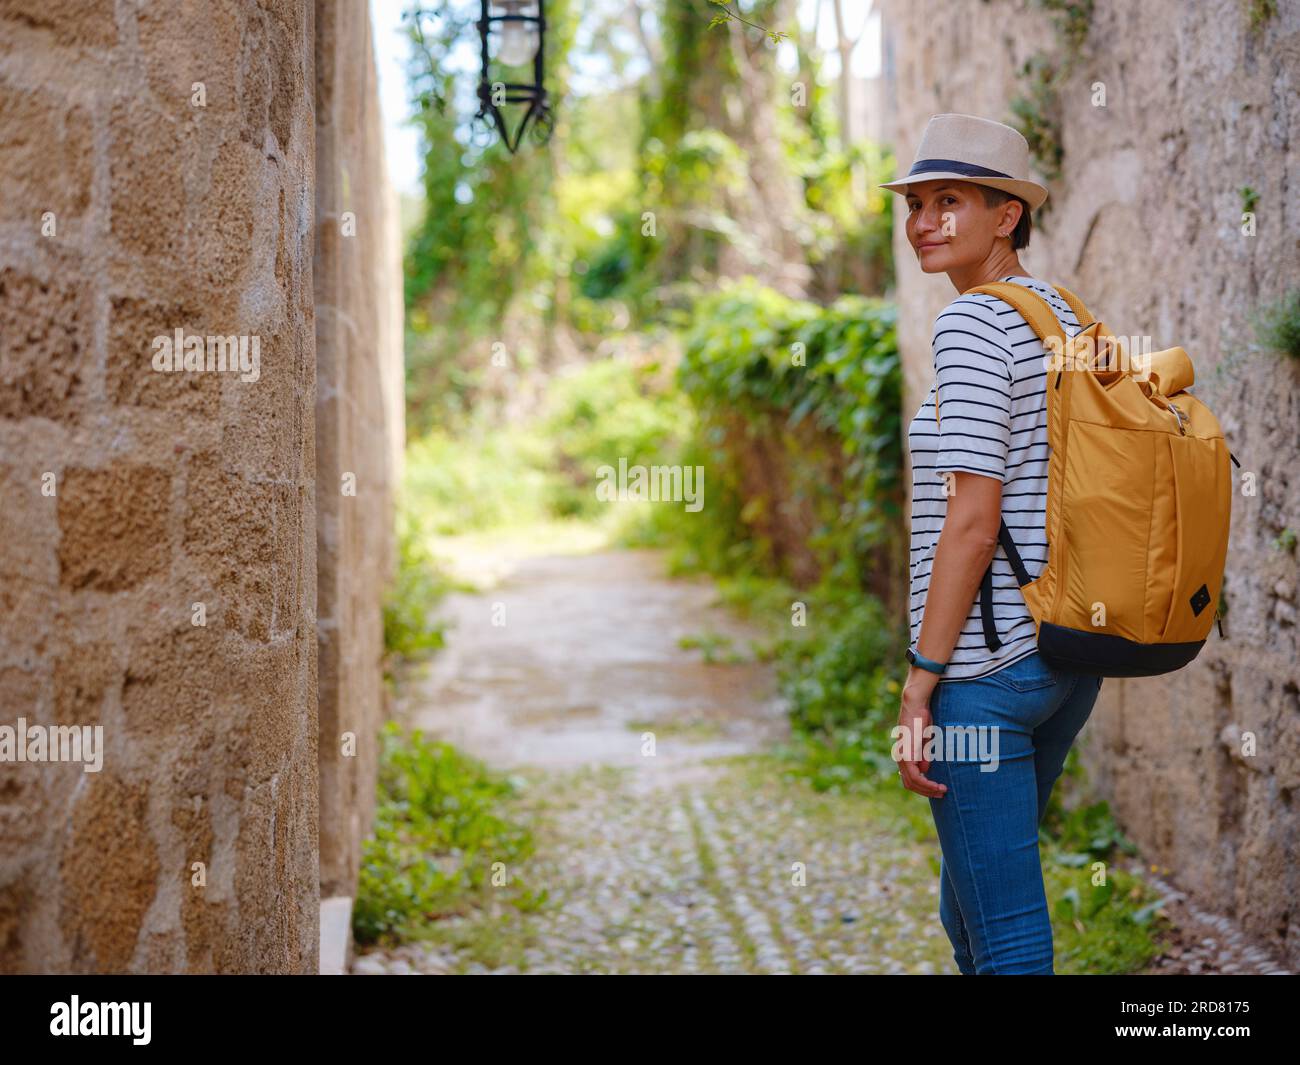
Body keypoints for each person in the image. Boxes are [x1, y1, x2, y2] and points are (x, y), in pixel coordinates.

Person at [878, 113, 1104, 975]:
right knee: (969, 898)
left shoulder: (972, 325)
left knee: (1004, 932)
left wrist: (920, 682)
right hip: (1063, 659)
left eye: (950, 202)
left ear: (1006, 215)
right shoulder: (1063, 314)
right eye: (917, 204)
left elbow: (973, 519)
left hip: (985, 673)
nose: (923, 222)